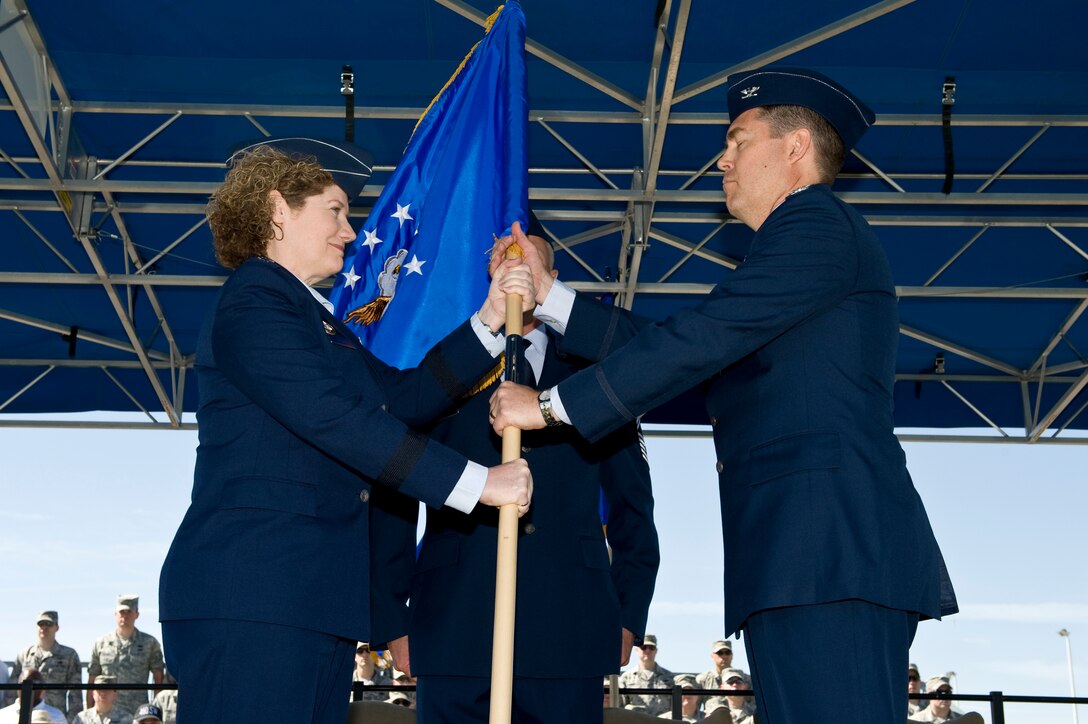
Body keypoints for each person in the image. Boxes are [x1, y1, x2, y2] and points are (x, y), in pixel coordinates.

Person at [488, 65, 959, 723]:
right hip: (801, 560)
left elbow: (704, 337)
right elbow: (695, 349)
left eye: (739, 139)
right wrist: (552, 299)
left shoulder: (815, 224)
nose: (722, 157)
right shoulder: (793, 251)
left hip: (828, 555)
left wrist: (548, 407)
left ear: (795, 148)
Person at [157, 137, 535, 724]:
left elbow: (404, 398)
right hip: (255, 598)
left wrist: (488, 319)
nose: (352, 232)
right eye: (335, 210)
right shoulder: (255, 301)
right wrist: (478, 485)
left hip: (308, 601)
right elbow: (335, 420)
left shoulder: (313, 319)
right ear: (279, 210)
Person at [374, 228, 659, 724]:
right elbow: (397, 491)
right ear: (488, 276)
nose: (516, 271)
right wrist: (393, 619)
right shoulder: (443, 371)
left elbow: (633, 506)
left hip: (571, 627)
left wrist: (629, 616)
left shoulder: (596, 377)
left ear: (552, 278)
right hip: (453, 627)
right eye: (505, 262)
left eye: (530, 261)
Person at [87, 597, 163, 715]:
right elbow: (92, 679)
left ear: (137, 614)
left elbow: (158, 678)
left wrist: (155, 710)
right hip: (108, 713)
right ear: (115, 614)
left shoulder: (149, 643)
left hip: (138, 712)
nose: (125, 616)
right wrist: (90, 711)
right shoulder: (101, 643)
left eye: (129, 612)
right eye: (122, 612)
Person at [11, 611, 83, 721]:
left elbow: (75, 695)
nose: (44, 627)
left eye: (49, 624)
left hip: (55, 718)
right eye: (41, 624)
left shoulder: (69, 655)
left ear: (57, 627)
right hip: (25, 717)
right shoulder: (24, 655)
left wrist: (70, 720)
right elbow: (11, 691)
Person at [618, 635, 674, 716]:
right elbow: (621, 706)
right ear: (637, 650)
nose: (647, 650)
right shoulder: (626, 678)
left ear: (656, 650)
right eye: (643, 647)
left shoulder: (669, 677)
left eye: (651, 648)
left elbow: (676, 706)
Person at [0, 669, 66, 724]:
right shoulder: (3, 715)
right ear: (18, 686)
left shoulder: (57, 716)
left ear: (42, 687)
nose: (30, 687)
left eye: (36, 683)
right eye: (24, 683)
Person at [695, 639, 736, 715]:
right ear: (712, 656)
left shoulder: (744, 680)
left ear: (732, 655)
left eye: (727, 653)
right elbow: (694, 708)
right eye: (720, 653)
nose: (724, 656)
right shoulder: (703, 679)